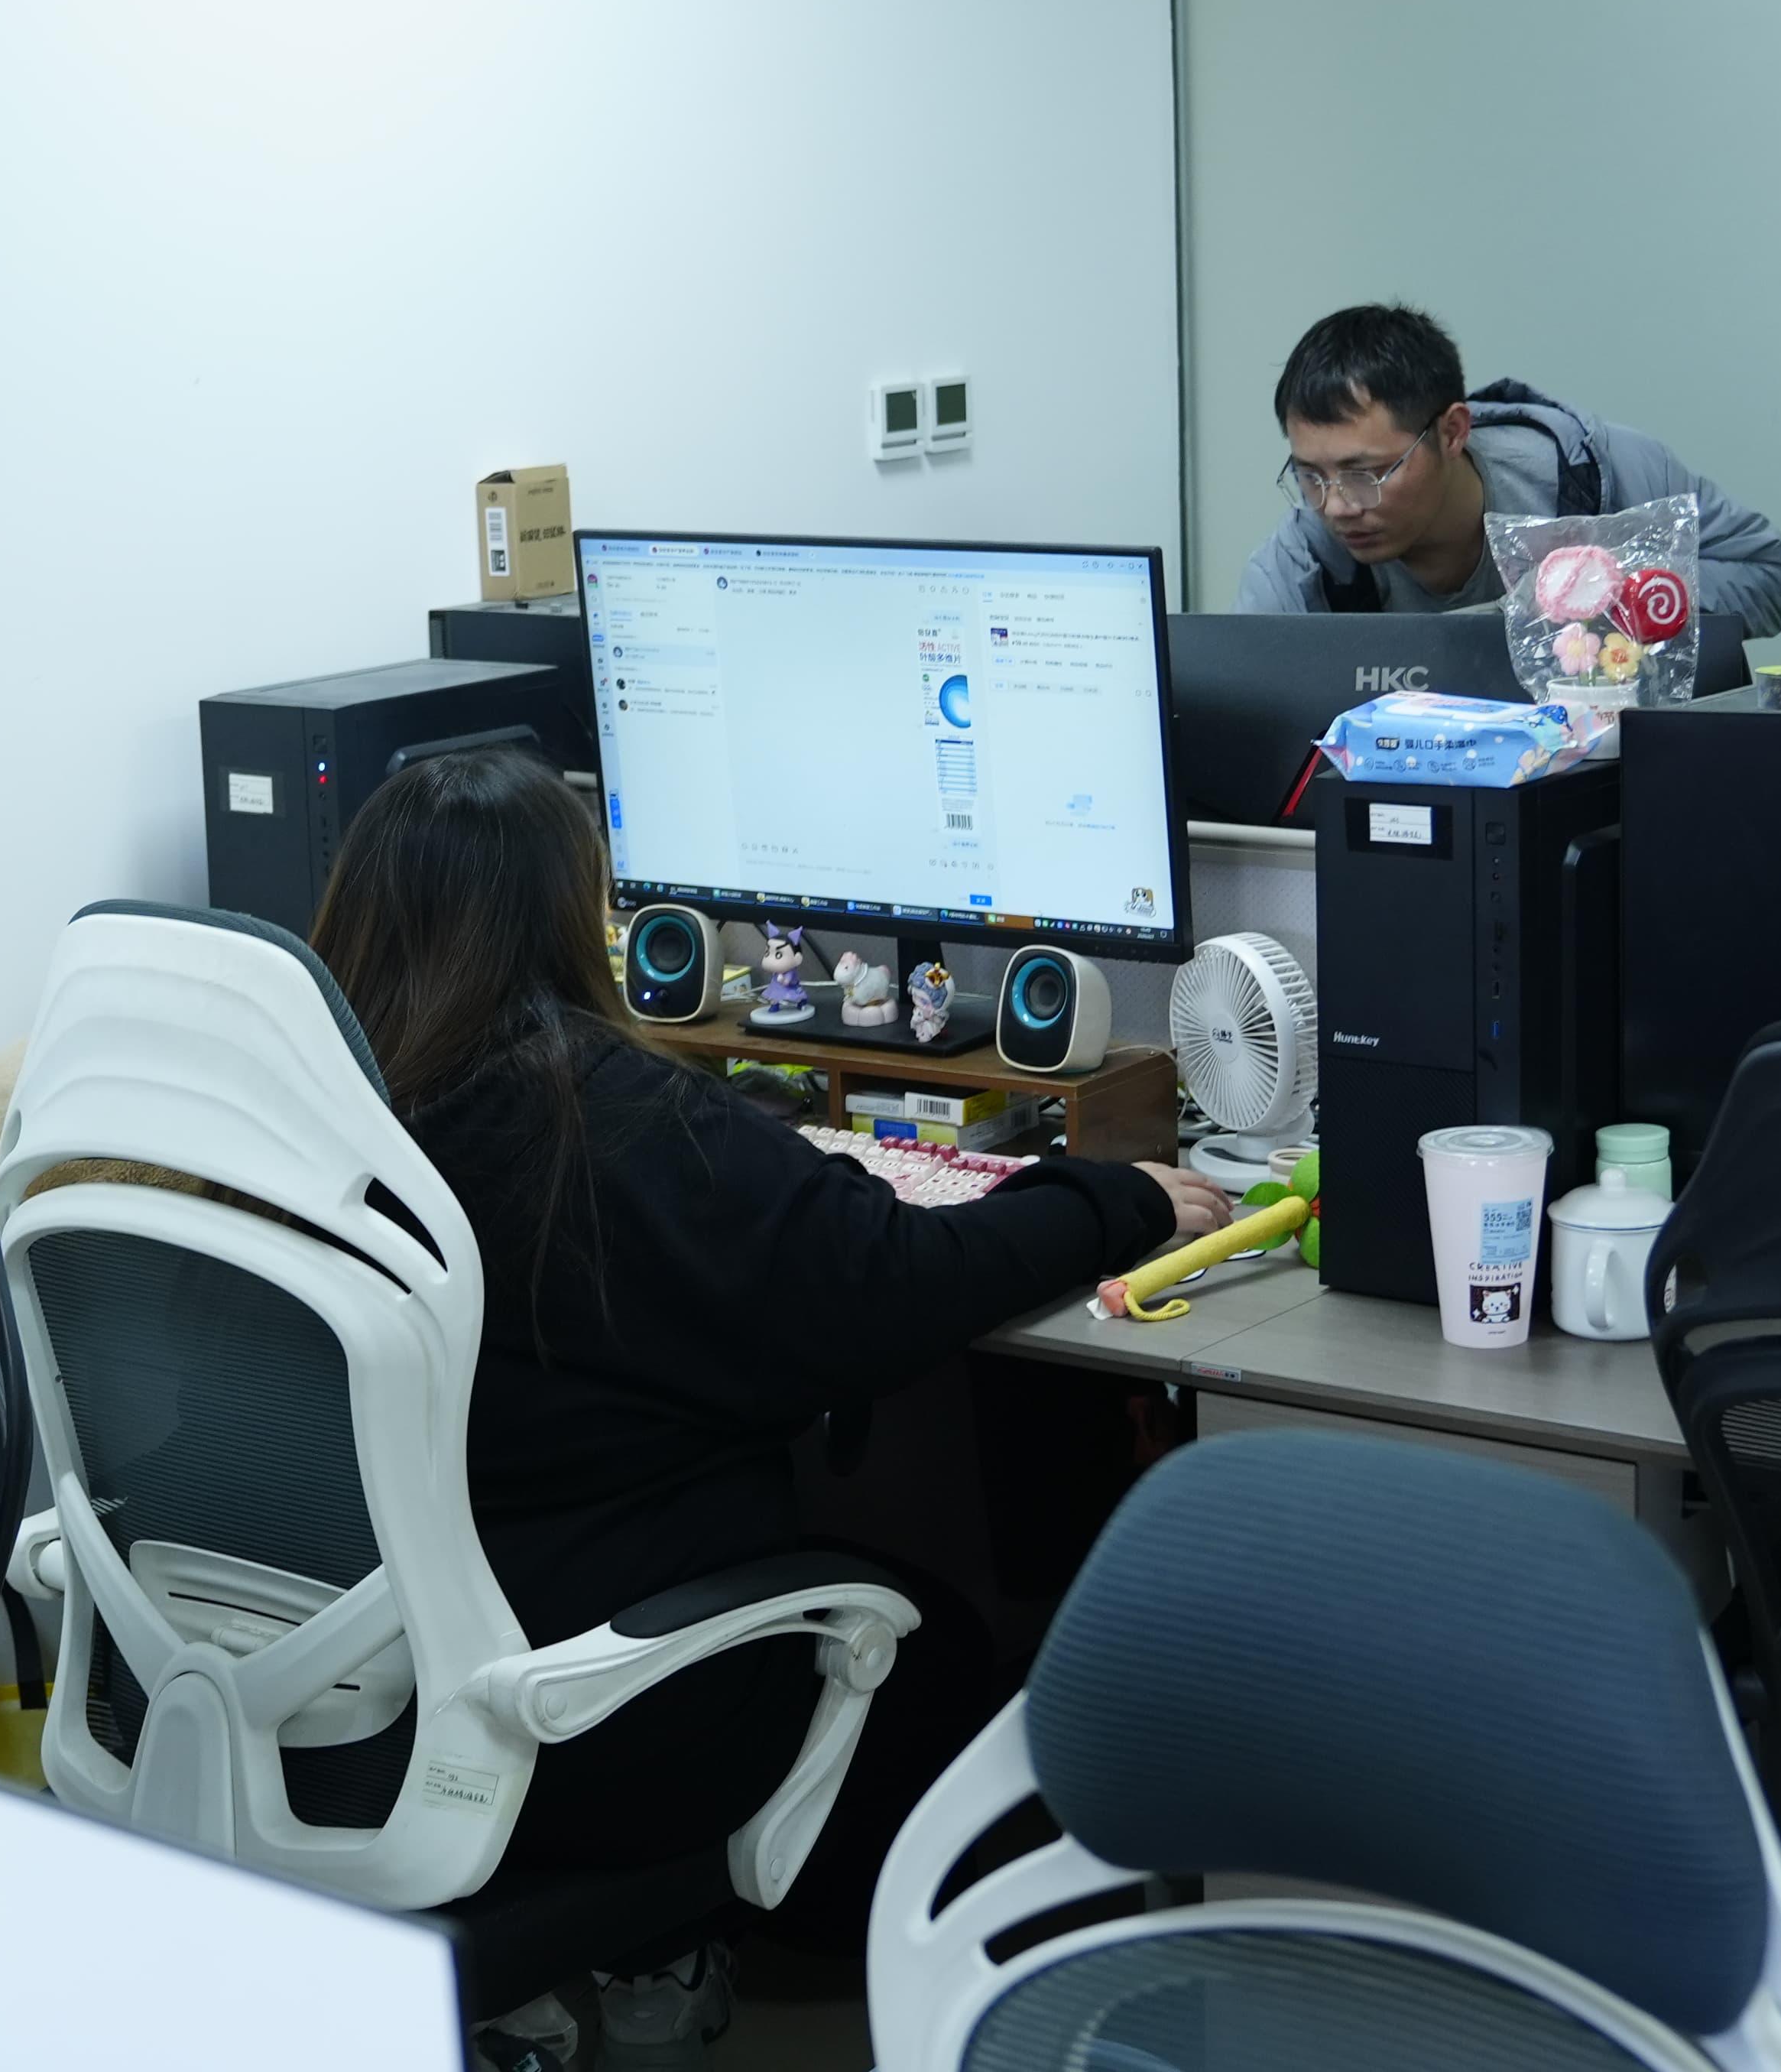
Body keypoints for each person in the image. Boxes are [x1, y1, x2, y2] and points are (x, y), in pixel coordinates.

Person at [304, 752, 1231, 1893]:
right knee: (942, 1644)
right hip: (594, 1707)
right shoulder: (602, 1116)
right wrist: (1114, 1199)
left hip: (345, 1695)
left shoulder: (307, 1117)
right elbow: (894, 1279)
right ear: (569, 919)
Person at [1236, 302, 1781, 661]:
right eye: (1310, 475)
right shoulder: (1305, 558)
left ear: (1452, 432)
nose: (1337, 506)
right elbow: (1249, 692)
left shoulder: (1599, 472)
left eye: (1366, 474)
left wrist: (1611, 602)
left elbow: (1771, 574)